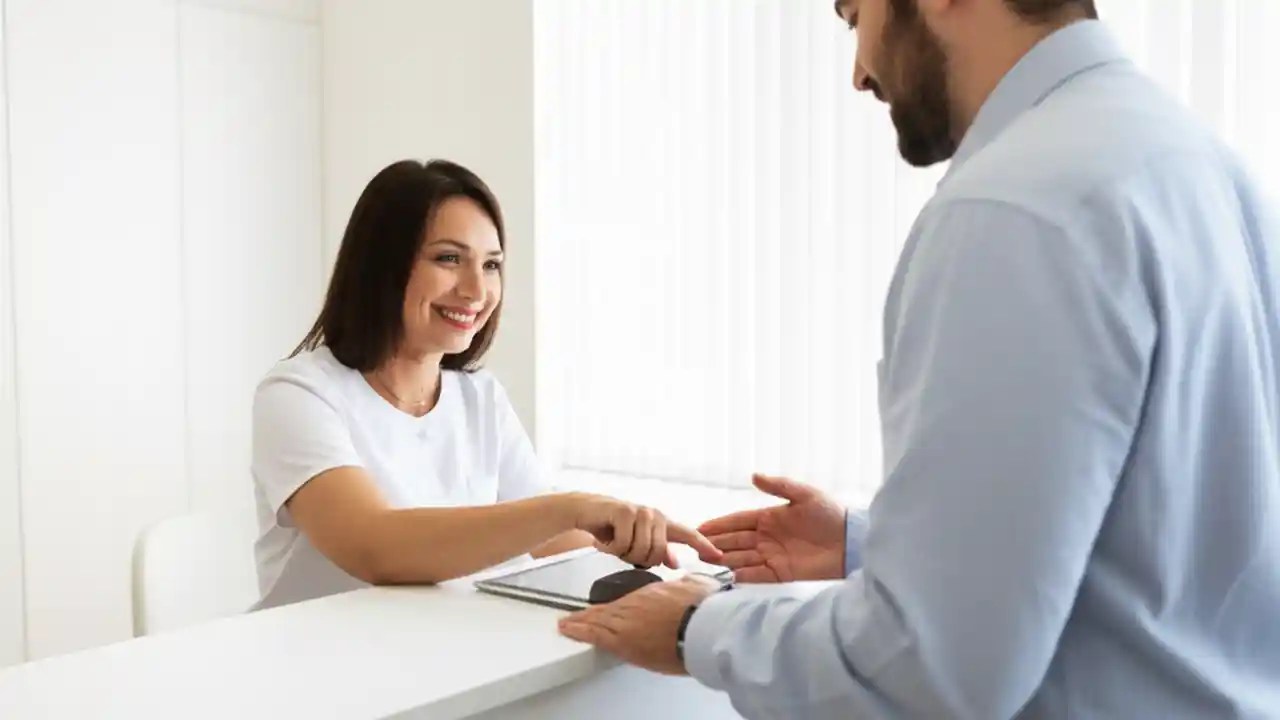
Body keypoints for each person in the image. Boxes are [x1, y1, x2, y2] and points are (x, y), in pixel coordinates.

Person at [558, 0, 1280, 717]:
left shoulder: (1015, 206)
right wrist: (869, 546)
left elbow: (928, 667)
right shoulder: (1199, 164)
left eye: (853, 16)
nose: (859, 73)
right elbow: (1165, 549)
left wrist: (697, 627)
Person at [251, 159, 720, 610]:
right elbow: (374, 547)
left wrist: (652, 559)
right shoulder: (298, 394)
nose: (476, 291)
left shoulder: (479, 397)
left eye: (491, 264)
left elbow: (551, 542)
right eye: (449, 259)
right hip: (320, 667)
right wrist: (571, 508)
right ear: (381, 266)